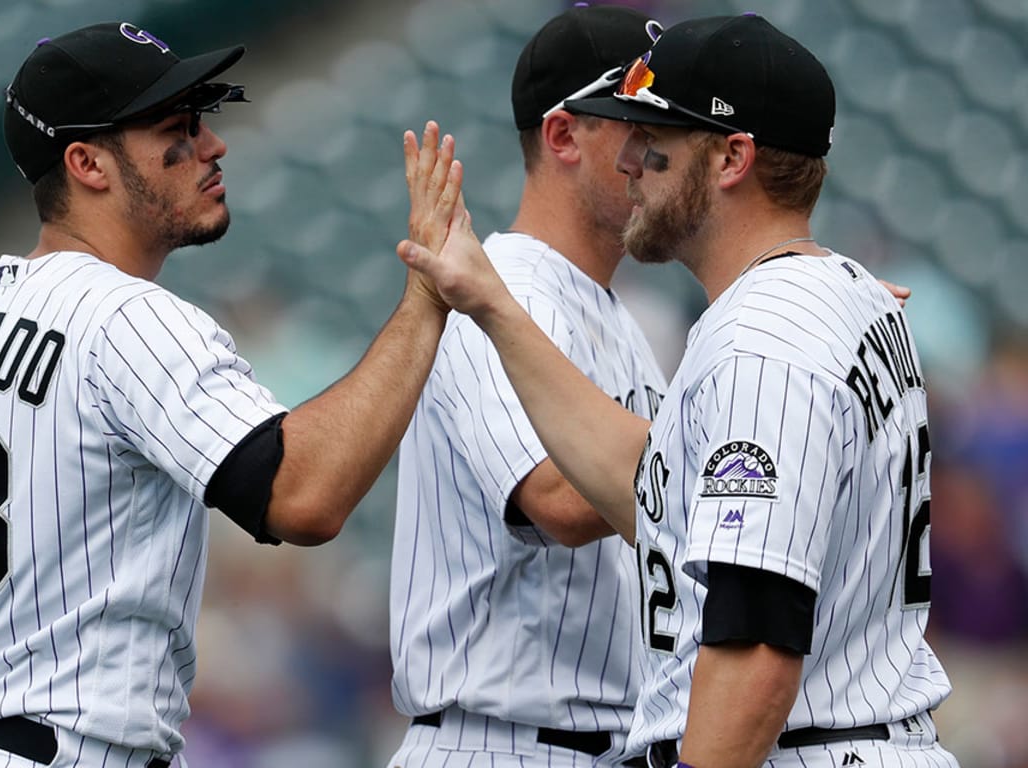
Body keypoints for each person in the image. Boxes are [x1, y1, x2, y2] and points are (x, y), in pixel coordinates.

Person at [0, 21, 461, 768]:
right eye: (175, 132)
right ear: (87, 163)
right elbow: (304, 496)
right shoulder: (130, 318)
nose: (212, 147)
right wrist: (426, 299)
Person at [398, 14, 958, 767]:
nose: (636, 160)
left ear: (733, 158)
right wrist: (493, 307)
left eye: (658, 142)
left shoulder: (770, 333)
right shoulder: (821, 301)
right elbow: (658, 485)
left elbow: (755, 639)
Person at [387, 6, 664, 766]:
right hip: (501, 742)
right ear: (564, 135)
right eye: (640, 123)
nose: (662, 151)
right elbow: (564, 500)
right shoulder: (498, 287)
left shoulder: (618, 316)